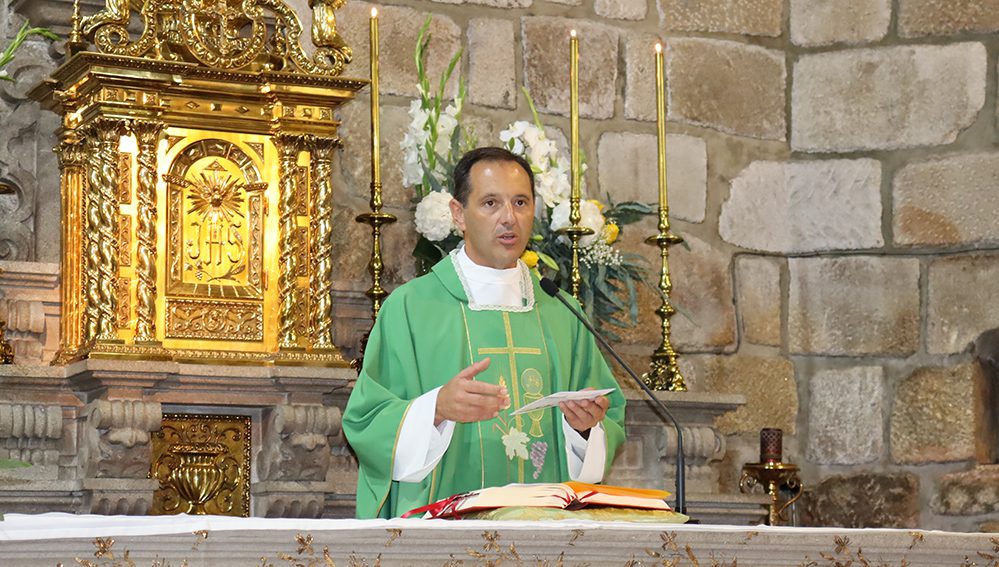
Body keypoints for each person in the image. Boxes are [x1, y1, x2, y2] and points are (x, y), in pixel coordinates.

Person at [343, 147, 626, 519]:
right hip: (445, 537)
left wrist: (584, 429)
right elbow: (367, 422)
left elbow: (607, 421)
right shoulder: (410, 309)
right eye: (490, 203)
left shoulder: (563, 313)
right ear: (458, 214)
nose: (509, 218)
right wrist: (436, 409)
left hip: (546, 537)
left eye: (521, 203)